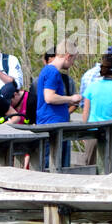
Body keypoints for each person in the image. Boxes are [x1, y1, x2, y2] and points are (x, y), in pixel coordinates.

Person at [36, 38, 83, 169]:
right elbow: (49, 98)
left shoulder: (48, 70)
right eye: (73, 59)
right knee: (50, 166)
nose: (73, 63)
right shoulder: (53, 72)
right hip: (52, 125)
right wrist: (71, 99)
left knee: (57, 165)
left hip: (54, 124)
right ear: (68, 56)